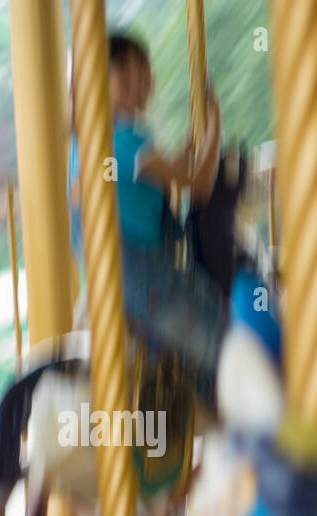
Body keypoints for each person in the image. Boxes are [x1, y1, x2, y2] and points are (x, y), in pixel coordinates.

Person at [68, 32, 228, 404]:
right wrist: (215, 128)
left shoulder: (87, 141)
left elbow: (163, 171)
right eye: (123, 71)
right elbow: (200, 185)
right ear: (98, 82)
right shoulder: (128, 140)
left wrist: (193, 144)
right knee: (227, 351)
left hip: (109, 284)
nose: (138, 79)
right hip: (146, 286)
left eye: (142, 70)